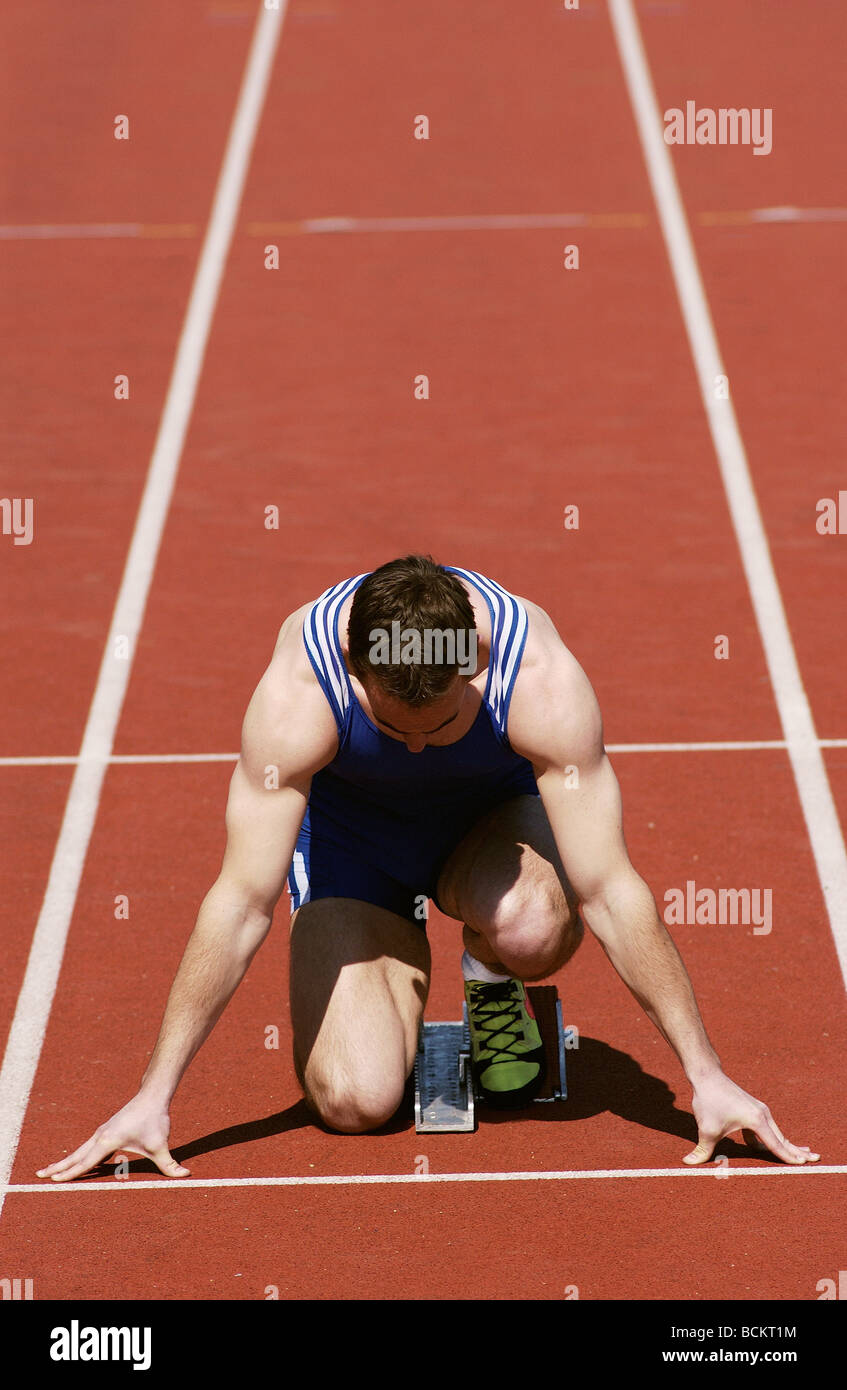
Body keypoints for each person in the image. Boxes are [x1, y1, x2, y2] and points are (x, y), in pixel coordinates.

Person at [37, 555, 819, 1180]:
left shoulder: (536, 675)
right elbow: (242, 901)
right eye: (389, 726)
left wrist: (704, 1075)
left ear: (471, 670)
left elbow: (609, 888)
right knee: (354, 1101)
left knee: (534, 924)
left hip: (489, 830)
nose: (412, 746)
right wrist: (154, 1094)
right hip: (354, 848)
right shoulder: (298, 689)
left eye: (438, 726)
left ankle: (488, 973)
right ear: (354, 670)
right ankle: (389, 976)